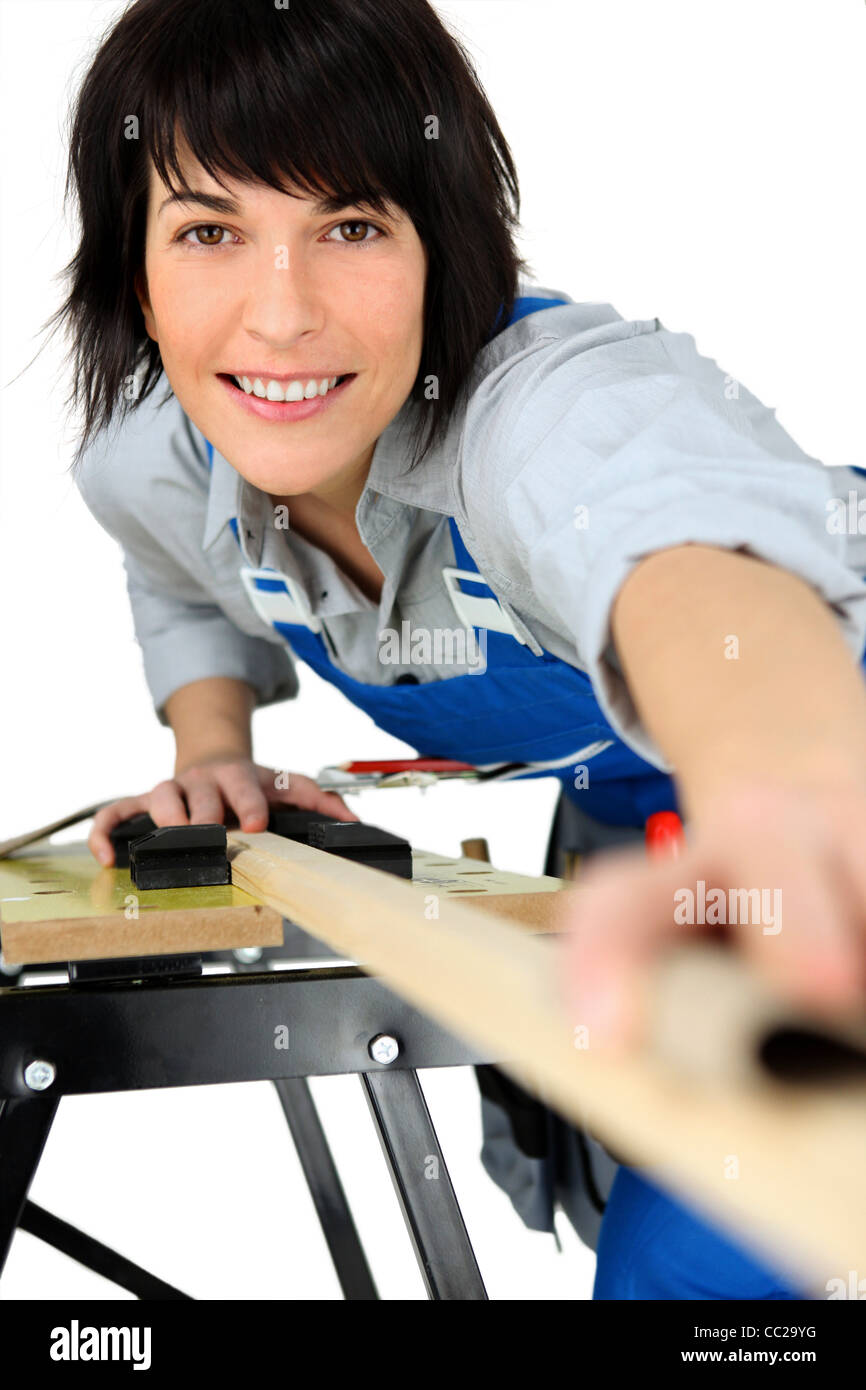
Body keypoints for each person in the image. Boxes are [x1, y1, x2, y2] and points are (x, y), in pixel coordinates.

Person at [43, 0, 866, 1299]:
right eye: (209, 229)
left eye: (352, 225)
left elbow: (698, 578)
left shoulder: (552, 411)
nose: (280, 315)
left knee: (699, 1258)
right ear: (132, 275)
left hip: (818, 775)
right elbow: (179, 577)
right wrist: (215, 753)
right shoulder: (144, 458)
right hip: (646, 818)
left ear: (448, 247)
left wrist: (788, 816)